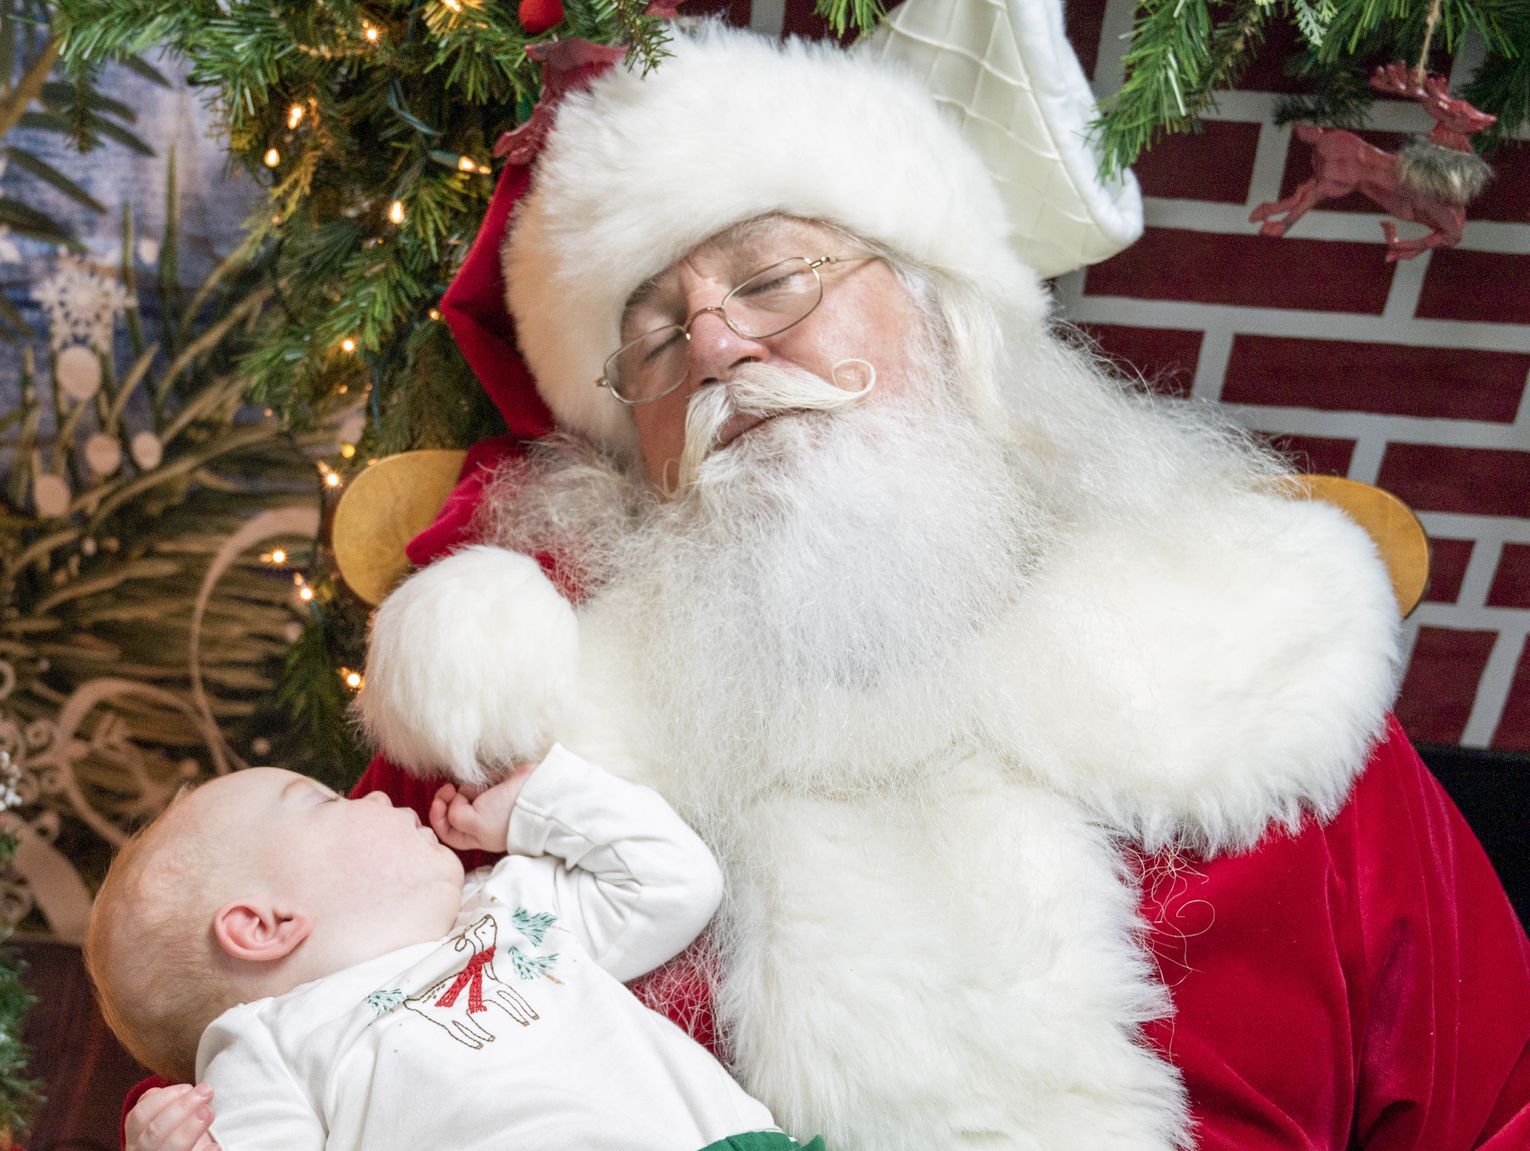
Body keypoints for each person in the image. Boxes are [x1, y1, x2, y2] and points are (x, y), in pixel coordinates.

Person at [125, 19, 1530, 1151]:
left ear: (943, 308)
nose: (719, 345)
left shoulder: (1253, 687)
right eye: (655, 337)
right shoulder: (508, 771)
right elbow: (282, 1028)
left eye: (772, 277)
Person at [89, 743, 816, 1151]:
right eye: (327, 801)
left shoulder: (501, 903)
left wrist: (536, 806)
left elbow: (676, 880)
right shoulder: (267, 1043)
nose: (374, 796)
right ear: (265, 925)